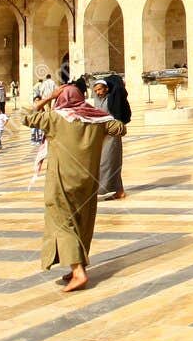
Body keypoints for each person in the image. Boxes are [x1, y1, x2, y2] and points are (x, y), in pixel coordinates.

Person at [19, 83, 127, 293]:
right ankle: (78, 265)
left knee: (61, 222)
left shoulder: (55, 118)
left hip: (62, 180)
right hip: (88, 180)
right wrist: (94, 116)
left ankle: (78, 272)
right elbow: (120, 129)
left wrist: (48, 98)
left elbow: (25, 116)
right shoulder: (97, 119)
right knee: (82, 220)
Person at [91, 74, 131, 200]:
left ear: (106, 88)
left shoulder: (112, 100)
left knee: (108, 162)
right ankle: (119, 191)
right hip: (101, 135)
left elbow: (115, 114)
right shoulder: (98, 100)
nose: (98, 92)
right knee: (111, 162)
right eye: (96, 90)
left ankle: (100, 190)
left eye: (100, 89)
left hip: (111, 135)